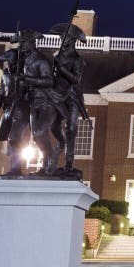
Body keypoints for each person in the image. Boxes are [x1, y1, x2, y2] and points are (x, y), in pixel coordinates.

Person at [14, 29, 63, 175]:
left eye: (23, 43)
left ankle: (51, 160)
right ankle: (45, 166)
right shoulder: (25, 61)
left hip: (47, 101)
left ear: (31, 43)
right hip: (34, 102)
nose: (20, 46)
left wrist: (26, 79)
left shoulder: (41, 60)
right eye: (20, 43)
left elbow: (48, 81)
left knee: (41, 132)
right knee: (36, 135)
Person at [49, 23, 87, 173]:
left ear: (71, 40)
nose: (61, 40)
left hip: (71, 96)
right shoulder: (57, 56)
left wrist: (62, 68)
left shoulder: (77, 59)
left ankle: (69, 160)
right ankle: (54, 154)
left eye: (64, 38)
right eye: (60, 38)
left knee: (71, 128)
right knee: (53, 125)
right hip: (57, 94)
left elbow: (76, 79)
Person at [0, 48, 31, 176]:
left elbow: (31, 93)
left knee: (14, 138)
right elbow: (2, 90)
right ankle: (14, 168)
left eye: (12, 63)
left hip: (21, 109)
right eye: (8, 63)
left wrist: (22, 96)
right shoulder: (5, 74)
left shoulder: (25, 75)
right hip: (8, 109)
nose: (10, 66)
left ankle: (16, 169)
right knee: (5, 137)